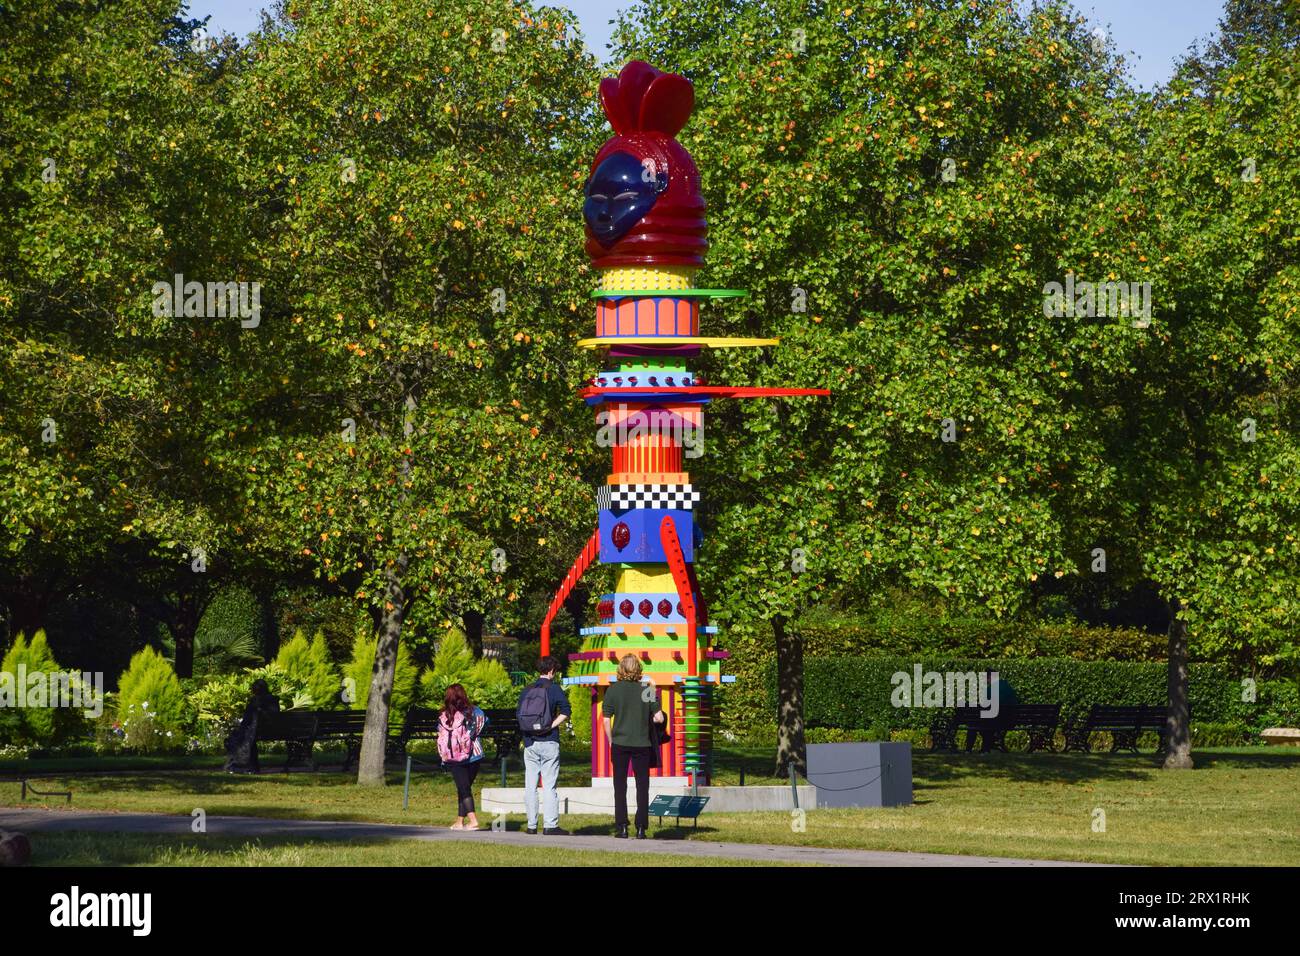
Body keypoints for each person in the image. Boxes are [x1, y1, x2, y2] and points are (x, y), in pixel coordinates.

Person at [601, 654, 665, 839]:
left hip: (619, 743)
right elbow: (659, 717)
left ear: (621, 669)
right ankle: (641, 828)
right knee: (642, 786)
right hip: (642, 744)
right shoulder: (646, 690)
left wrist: (611, 740)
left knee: (619, 786)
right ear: (638, 669)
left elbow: (606, 720)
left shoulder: (613, 690)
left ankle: (621, 827)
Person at [516, 655, 571, 835]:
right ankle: (550, 825)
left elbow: (519, 715)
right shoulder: (554, 689)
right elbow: (565, 711)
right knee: (549, 785)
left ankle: (531, 825)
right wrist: (550, 725)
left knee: (530, 785)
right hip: (549, 741)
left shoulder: (527, 690)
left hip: (530, 742)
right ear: (552, 671)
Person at [437, 683, 488, 831]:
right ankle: (459, 821)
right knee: (464, 788)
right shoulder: (476, 711)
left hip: (454, 756)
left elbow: (440, 732)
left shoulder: (445, 715)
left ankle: (473, 821)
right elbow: (484, 725)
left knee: (464, 788)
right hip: (475, 755)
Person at [224, 679, 280, 774]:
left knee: (238, 737)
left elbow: (246, 719)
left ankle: (243, 766)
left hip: (256, 731)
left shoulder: (255, 701)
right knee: (242, 736)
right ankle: (250, 766)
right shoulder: (273, 700)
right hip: (273, 731)